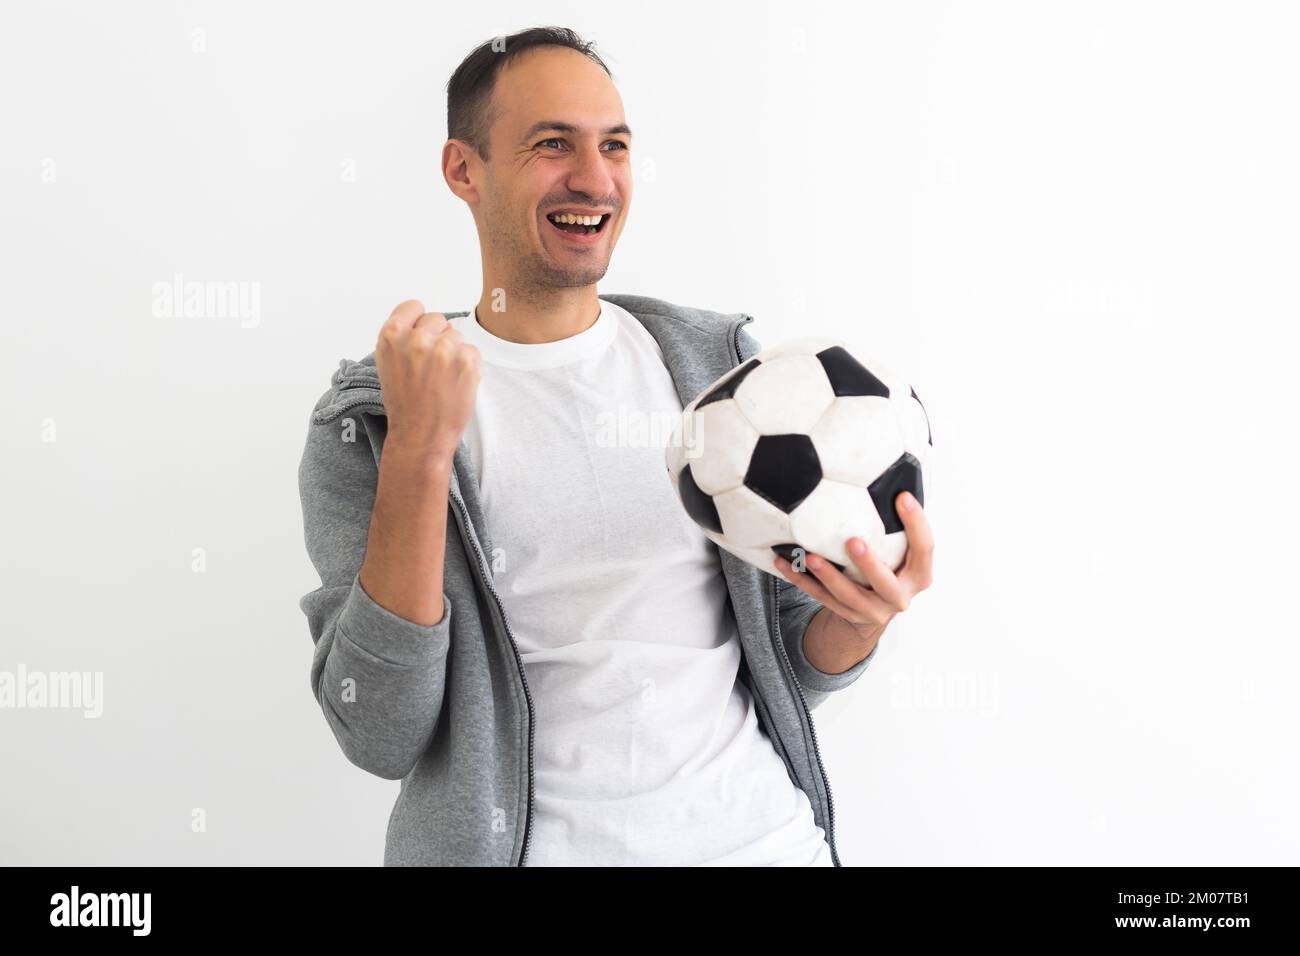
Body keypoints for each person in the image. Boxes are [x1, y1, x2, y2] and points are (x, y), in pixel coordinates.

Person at [296, 25, 935, 866]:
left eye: (616, 146)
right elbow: (379, 730)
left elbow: (792, 667)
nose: (595, 181)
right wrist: (419, 452)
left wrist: (860, 622)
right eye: (552, 144)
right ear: (464, 170)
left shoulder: (726, 381)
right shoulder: (375, 418)